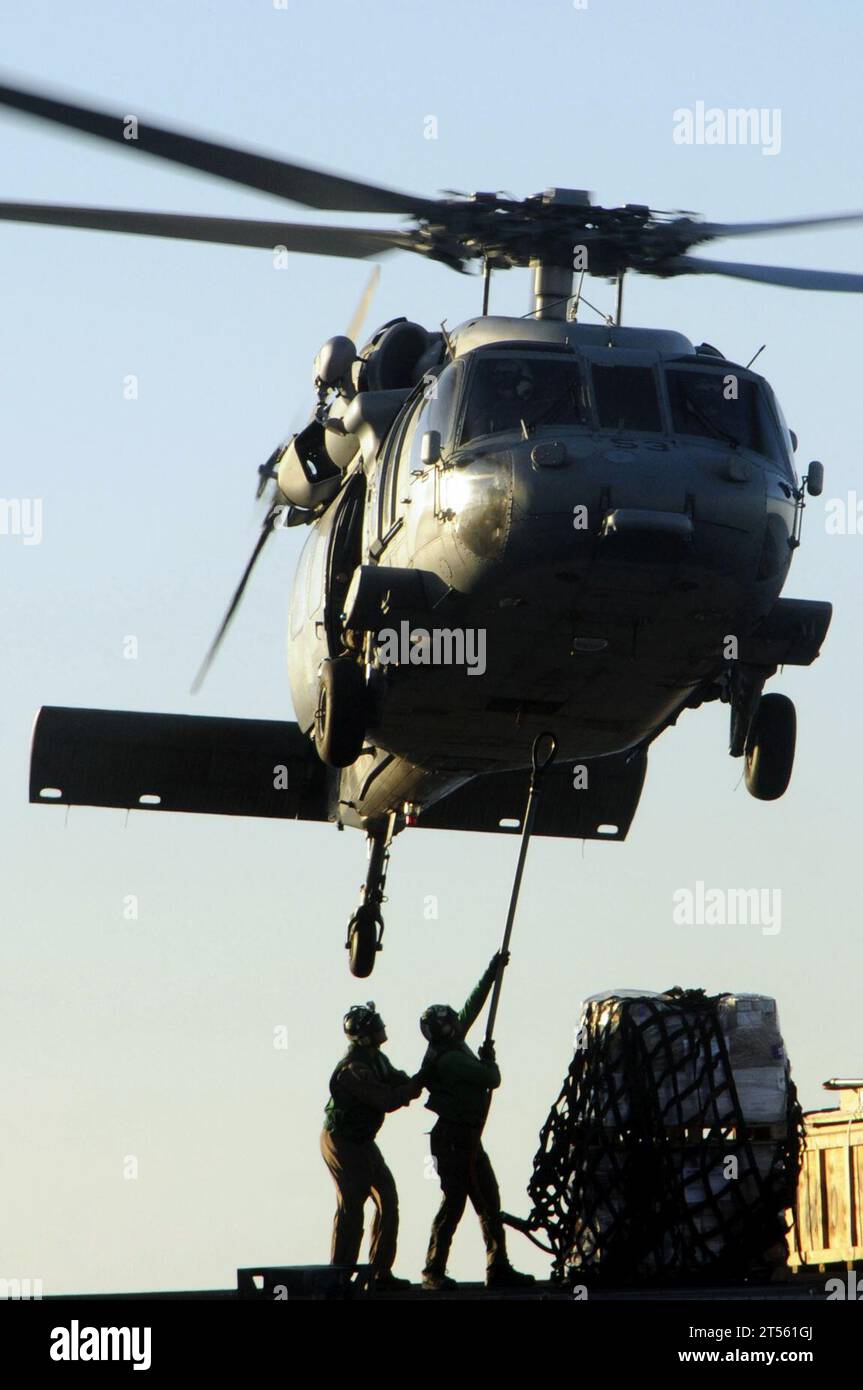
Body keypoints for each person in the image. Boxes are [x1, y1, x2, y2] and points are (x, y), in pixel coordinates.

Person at [419, 953, 535, 1291]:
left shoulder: (450, 1043)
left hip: (465, 1136)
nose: (458, 1022)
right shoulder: (452, 1059)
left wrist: (491, 972)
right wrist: (490, 1060)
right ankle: (433, 1270)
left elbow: (472, 1006)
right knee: (454, 1201)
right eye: (452, 1022)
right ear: (445, 1030)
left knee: (488, 1198)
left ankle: (497, 1266)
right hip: (454, 1138)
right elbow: (492, 1078)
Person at [321, 1000, 422, 1290]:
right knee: (352, 1203)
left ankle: (380, 1273)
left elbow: (396, 1080)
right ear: (364, 1036)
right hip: (341, 1141)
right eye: (376, 1026)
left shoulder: (375, 1058)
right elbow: (385, 1099)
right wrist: (410, 1090)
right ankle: (340, 1275)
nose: (382, 1028)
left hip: (362, 1141)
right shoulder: (353, 1069)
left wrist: (418, 1080)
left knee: (387, 1198)